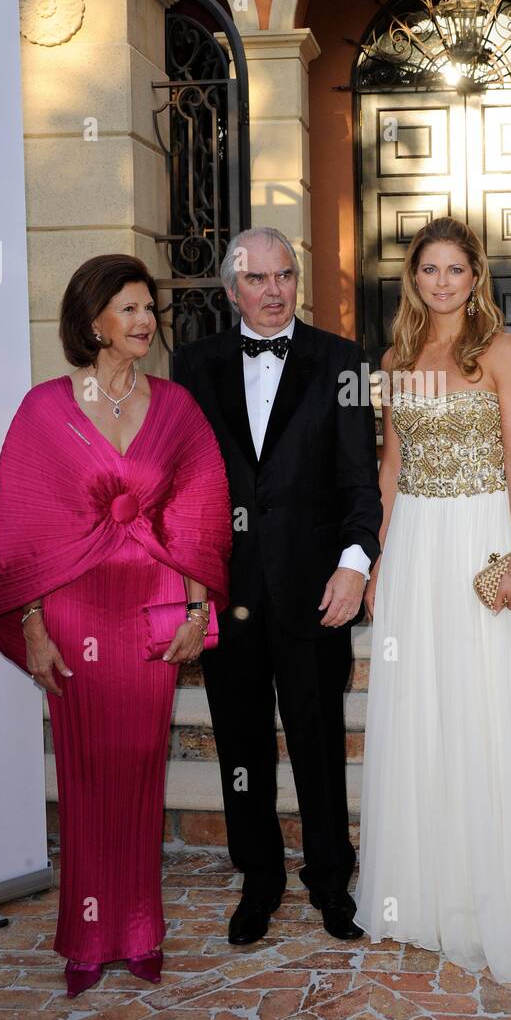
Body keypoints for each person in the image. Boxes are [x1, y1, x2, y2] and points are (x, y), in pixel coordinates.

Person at [0, 255, 232, 999]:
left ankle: (141, 931)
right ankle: (88, 937)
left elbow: (200, 516)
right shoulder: (44, 410)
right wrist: (30, 624)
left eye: (149, 307)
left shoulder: (176, 408)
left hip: (150, 606)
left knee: (141, 765)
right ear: (92, 321)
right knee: (87, 775)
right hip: (73, 609)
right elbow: (18, 530)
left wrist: (195, 607)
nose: (146, 320)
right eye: (129, 309)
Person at [354, 217, 511, 984]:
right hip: (414, 541)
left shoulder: (501, 353)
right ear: (411, 278)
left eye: (454, 269)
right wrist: (376, 562)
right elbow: (389, 466)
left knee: (487, 704)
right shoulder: (396, 358)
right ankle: (423, 892)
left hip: (480, 531)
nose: (441, 282)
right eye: (427, 270)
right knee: (421, 706)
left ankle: (495, 895)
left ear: (475, 276)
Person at [173, 228, 382, 945]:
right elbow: (183, 481)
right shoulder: (192, 364)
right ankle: (257, 879)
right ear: (231, 289)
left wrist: (355, 564)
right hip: (227, 586)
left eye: (284, 275)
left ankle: (330, 881)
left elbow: (360, 477)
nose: (272, 291)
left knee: (318, 737)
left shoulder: (341, 359)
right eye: (256, 279)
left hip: (314, 586)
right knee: (240, 742)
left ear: (298, 280)